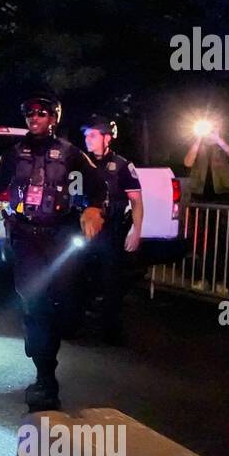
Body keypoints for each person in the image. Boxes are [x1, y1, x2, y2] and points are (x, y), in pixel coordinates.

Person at [0, 91, 106, 412]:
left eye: (41, 113)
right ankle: (45, 381)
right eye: (29, 114)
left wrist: (94, 209)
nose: (34, 119)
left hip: (61, 237)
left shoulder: (70, 153)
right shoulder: (14, 153)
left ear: (54, 118)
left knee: (65, 307)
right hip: (25, 238)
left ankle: (51, 346)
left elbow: (98, 185)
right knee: (36, 307)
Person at [79, 115, 143, 345]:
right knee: (78, 277)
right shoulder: (81, 163)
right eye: (86, 135)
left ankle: (110, 331)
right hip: (85, 230)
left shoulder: (122, 166)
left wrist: (136, 232)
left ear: (107, 138)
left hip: (112, 231)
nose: (87, 139)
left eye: (93, 135)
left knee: (111, 282)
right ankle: (78, 325)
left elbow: (136, 201)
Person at [182, 123, 229, 204]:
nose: (210, 130)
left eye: (214, 127)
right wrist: (198, 139)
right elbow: (187, 163)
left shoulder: (226, 142)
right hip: (199, 193)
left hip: (224, 193)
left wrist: (219, 140)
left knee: (223, 215)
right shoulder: (196, 144)